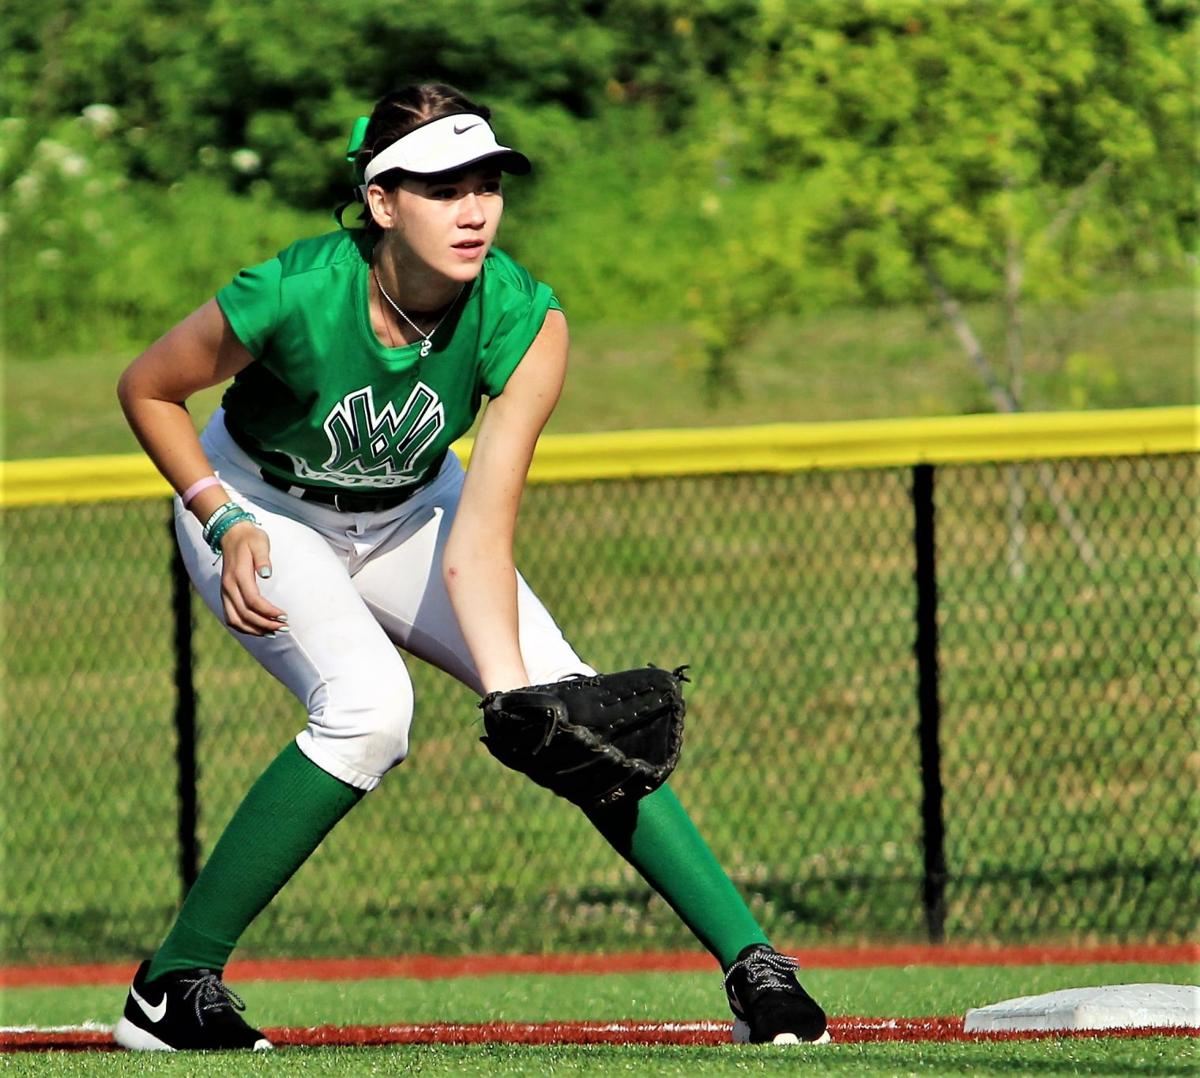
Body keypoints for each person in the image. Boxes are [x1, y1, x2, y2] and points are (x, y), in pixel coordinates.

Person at [112, 82, 828, 1052]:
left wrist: (513, 694)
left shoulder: (524, 317)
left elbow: (482, 535)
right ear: (380, 202)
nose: (475, 207)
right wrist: (221, 516)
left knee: (575, 713)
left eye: (487, 182)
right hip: (263, 507)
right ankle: (173, 984)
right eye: (443, 185)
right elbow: (148, 387)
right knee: (368, 712)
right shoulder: (292, 292)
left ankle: (755, 969)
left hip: (414, 512)